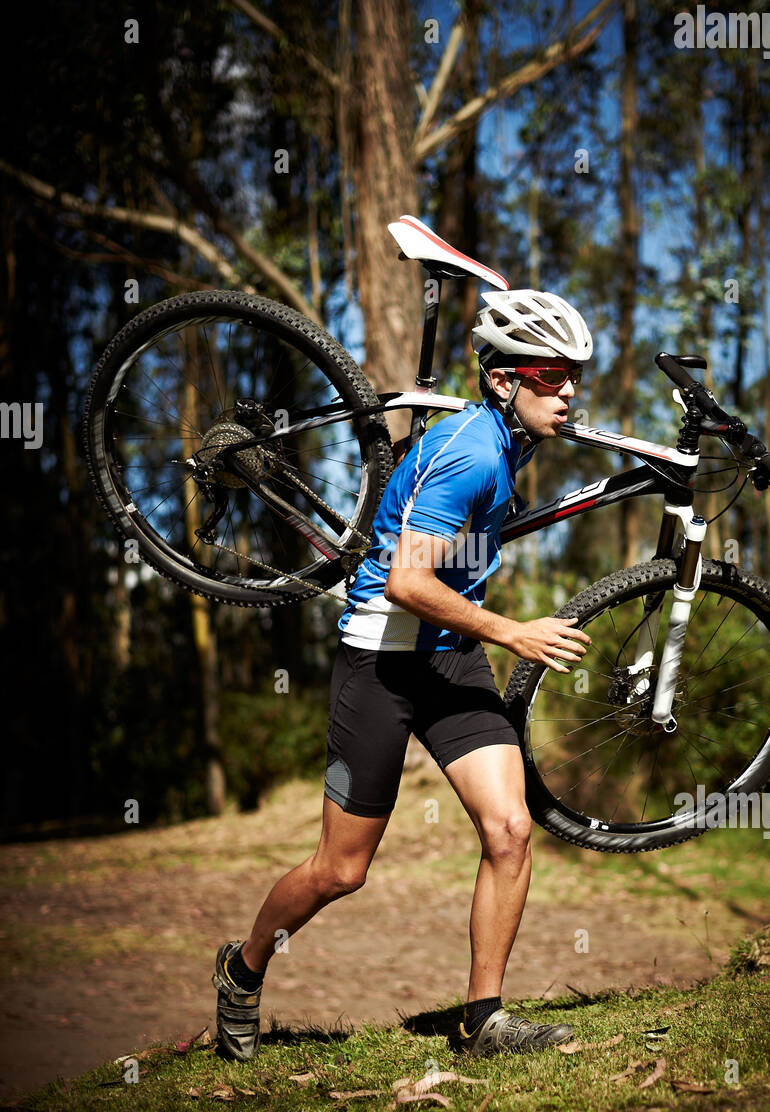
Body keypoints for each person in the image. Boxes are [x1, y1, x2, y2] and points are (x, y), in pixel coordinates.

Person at [212, 289, 594, 1060]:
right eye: (553, 376)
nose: (571, 392)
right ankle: (242, 971)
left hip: (449, 657)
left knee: (511, 830)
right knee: (341, 870)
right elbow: (406, 583)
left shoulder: (514, 434)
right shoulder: (473, 451)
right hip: (382, 661)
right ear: (503, 381)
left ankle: (483, 1019)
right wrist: (511, 631)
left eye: (576, 375)